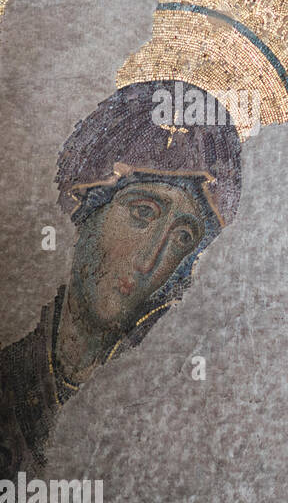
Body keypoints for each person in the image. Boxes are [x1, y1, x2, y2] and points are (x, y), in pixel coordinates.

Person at [0, 79, 242, 482]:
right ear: (85, 208)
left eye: (182, 238)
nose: (150, 260)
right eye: (142, 213)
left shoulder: (163, 408)